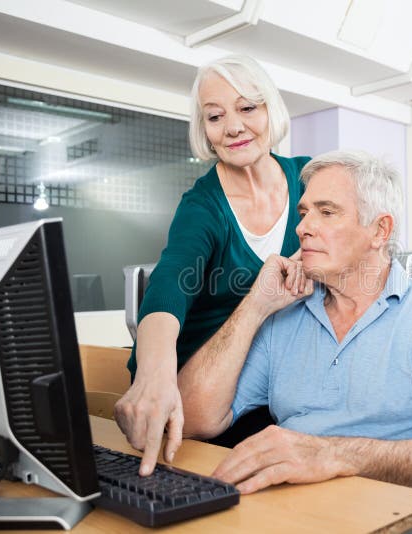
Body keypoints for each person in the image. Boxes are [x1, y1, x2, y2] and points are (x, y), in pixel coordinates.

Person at [177, 150, 412, 533]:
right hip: (290, 519)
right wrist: (255, 305)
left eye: (326, 212)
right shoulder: (284, 319)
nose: (303, 227)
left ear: (380, 231)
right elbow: (191, 420)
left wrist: (330, 454)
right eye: (303, 212)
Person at [114, 55, 310, 475]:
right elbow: (169, 282)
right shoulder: (203, 205)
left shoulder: (308, 179)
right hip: (198, 384)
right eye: (215, 116)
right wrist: (154, 374)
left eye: (247, 108)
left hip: (267, 383)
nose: (233, 127)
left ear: (270, 109)